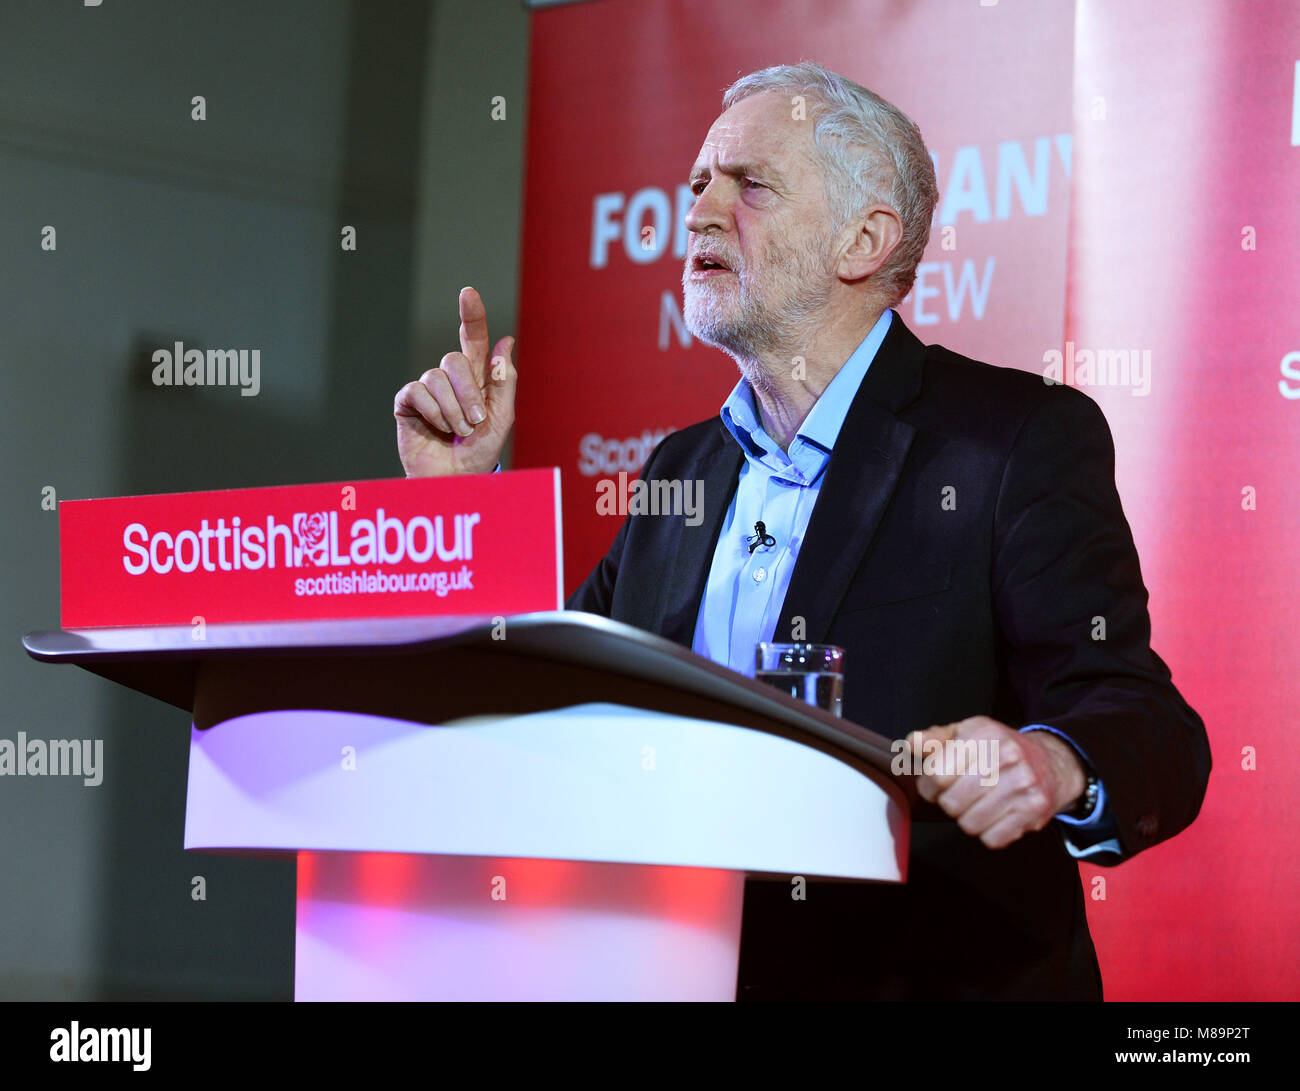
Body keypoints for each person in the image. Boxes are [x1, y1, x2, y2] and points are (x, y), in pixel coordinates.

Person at [393, 61, 1210, 1000]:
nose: (698, 213)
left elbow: (1146, 721)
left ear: (864, 240)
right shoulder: (679, 470)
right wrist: (458, 503)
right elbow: (545, 698)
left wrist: (1051, 760)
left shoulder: (1011, 442)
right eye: (698, 184)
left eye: (750, 186)